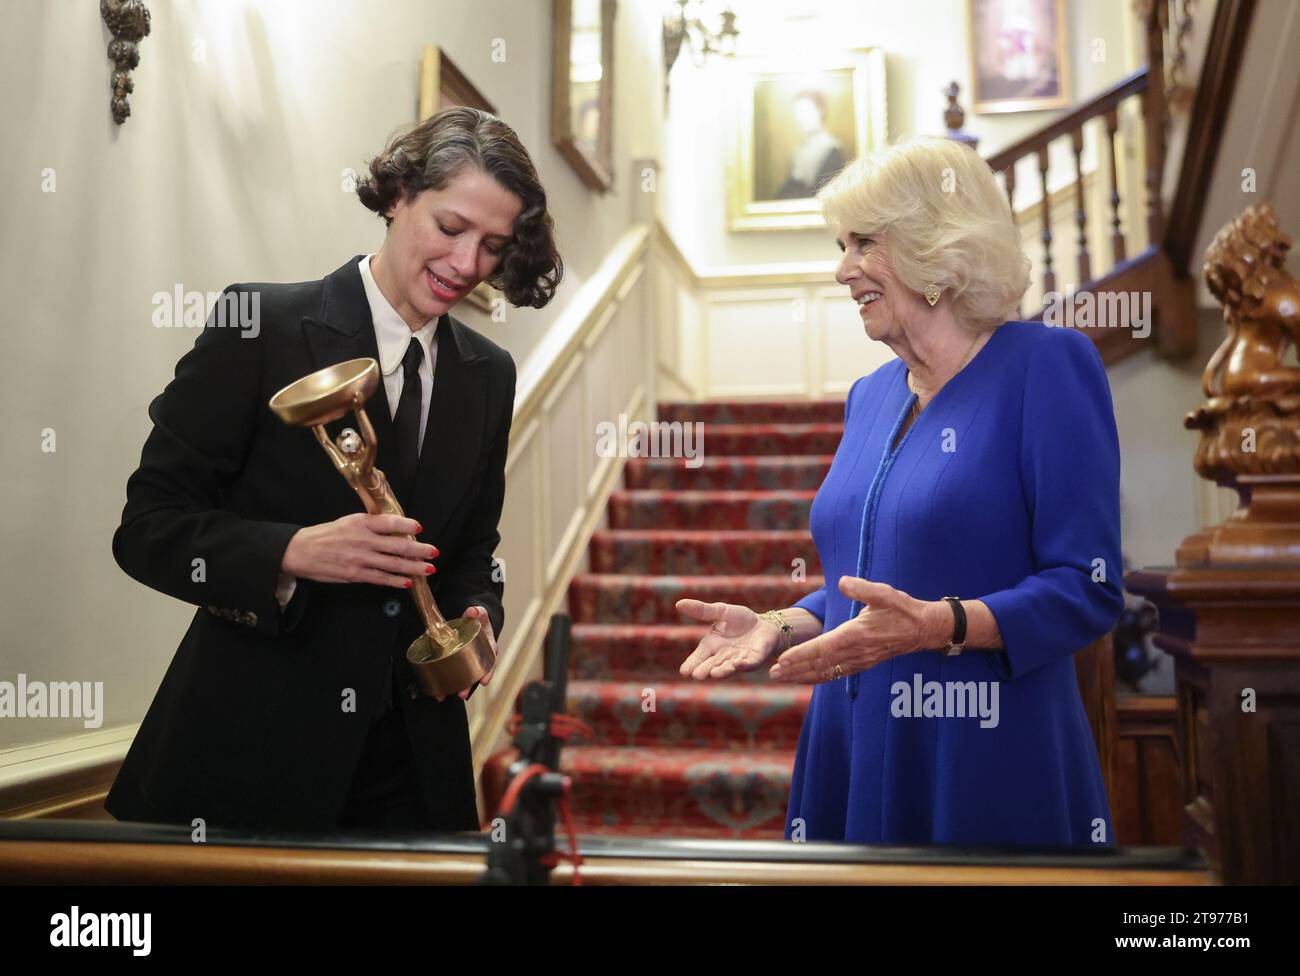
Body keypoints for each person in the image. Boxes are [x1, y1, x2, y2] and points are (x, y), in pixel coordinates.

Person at [107, 107, 562, 832]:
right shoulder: (257, 325)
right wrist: (292, 552)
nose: (468, 265)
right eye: (450, 229)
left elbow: (473, 544)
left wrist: (479, 612)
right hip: (251, 759)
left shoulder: (491, 373)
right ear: (394, 196)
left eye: (492, 245)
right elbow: (148, 528)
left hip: (416, 769)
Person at [677, 136, 1123, 847]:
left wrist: (941, 624)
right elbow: (869, 581)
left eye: (862, 243)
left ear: (935, 248)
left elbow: (1088, 588)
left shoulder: (1047, 365)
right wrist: (780, 623)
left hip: (981, 745)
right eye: (840, 245)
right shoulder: (870, 396)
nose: (841, 269)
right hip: (851, 736)